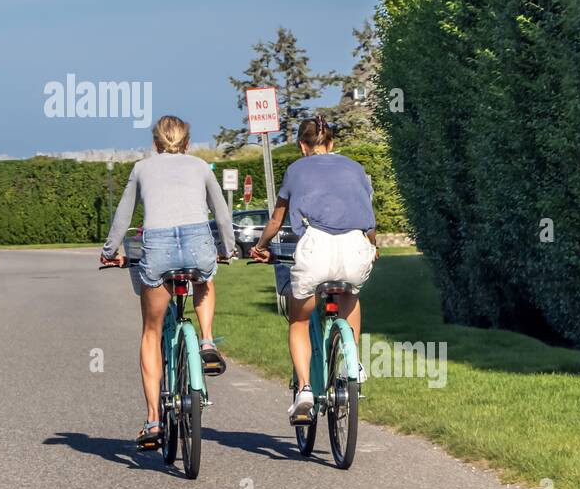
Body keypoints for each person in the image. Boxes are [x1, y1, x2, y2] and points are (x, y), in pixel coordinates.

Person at [100, 115, 236, 449]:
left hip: (158, 248)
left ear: (156, 144)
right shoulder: (202, 167)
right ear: (187, 143)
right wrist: (228, 249)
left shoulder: (141, 169)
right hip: (197, 243)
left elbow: (123, 216)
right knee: (204, 278)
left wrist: (108, 251)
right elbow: (221, 214)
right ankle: (206, 342)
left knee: (151, 331)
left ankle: (153, 421)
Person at [250, 116, 377, 421]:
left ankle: (305, 388)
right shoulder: (355, 168)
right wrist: (375, 248)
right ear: (331, 144)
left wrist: (261, 247)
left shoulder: (295, 170)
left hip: (315, 250)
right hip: (355, 248)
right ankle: (353, 361)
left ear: (302, 146)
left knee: (299, 320)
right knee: (351, 296)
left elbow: (276, 221)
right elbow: (369, 220)